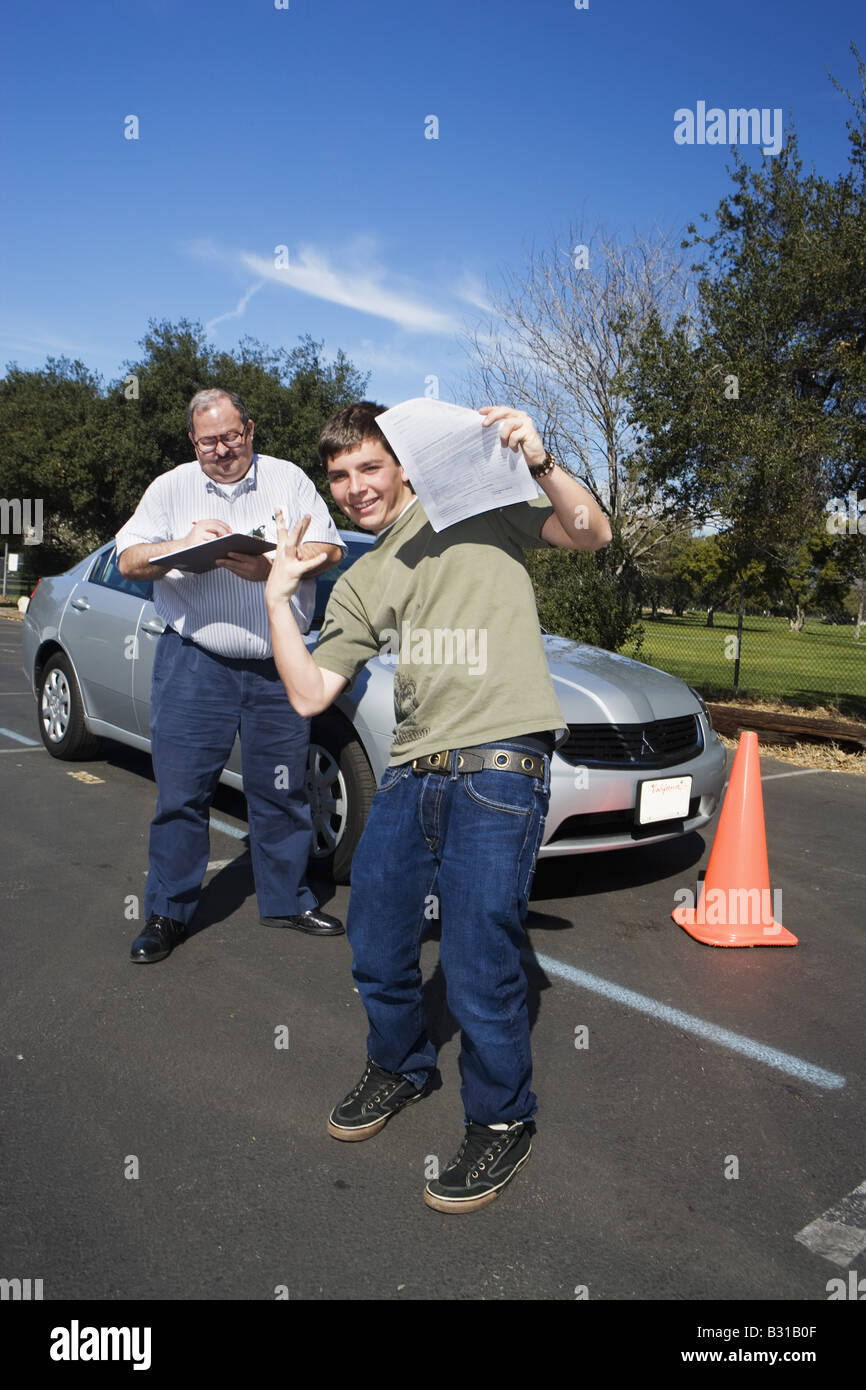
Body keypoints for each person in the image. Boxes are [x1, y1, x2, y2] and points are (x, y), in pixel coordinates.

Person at [265, 400, 612, 1212]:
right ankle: (400, 1065)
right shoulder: (360, 577)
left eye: (369, 468)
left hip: (501, 761)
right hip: (414, 770)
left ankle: (500, 1120)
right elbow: (311, 688)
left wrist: (540, 458)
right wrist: (279, 599)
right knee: (376, 938)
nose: (355, 488)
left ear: (405, 466)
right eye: (339, 475)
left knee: (478, 954)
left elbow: (591, 534)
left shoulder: (479, 508)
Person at [116, 387, 346, 963]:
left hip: (276, 666)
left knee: (281, 790)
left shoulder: (288, 479)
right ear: (193, 441)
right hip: (196, 664)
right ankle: (168, 913)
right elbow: (128, 560)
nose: (221, 450)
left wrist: (271, 563)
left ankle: (287, 899)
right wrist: (181, 544)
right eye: (207, 441)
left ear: (250, 429)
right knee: (181, 794)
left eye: (231, 436)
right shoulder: (170, 487)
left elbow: (331, 547)